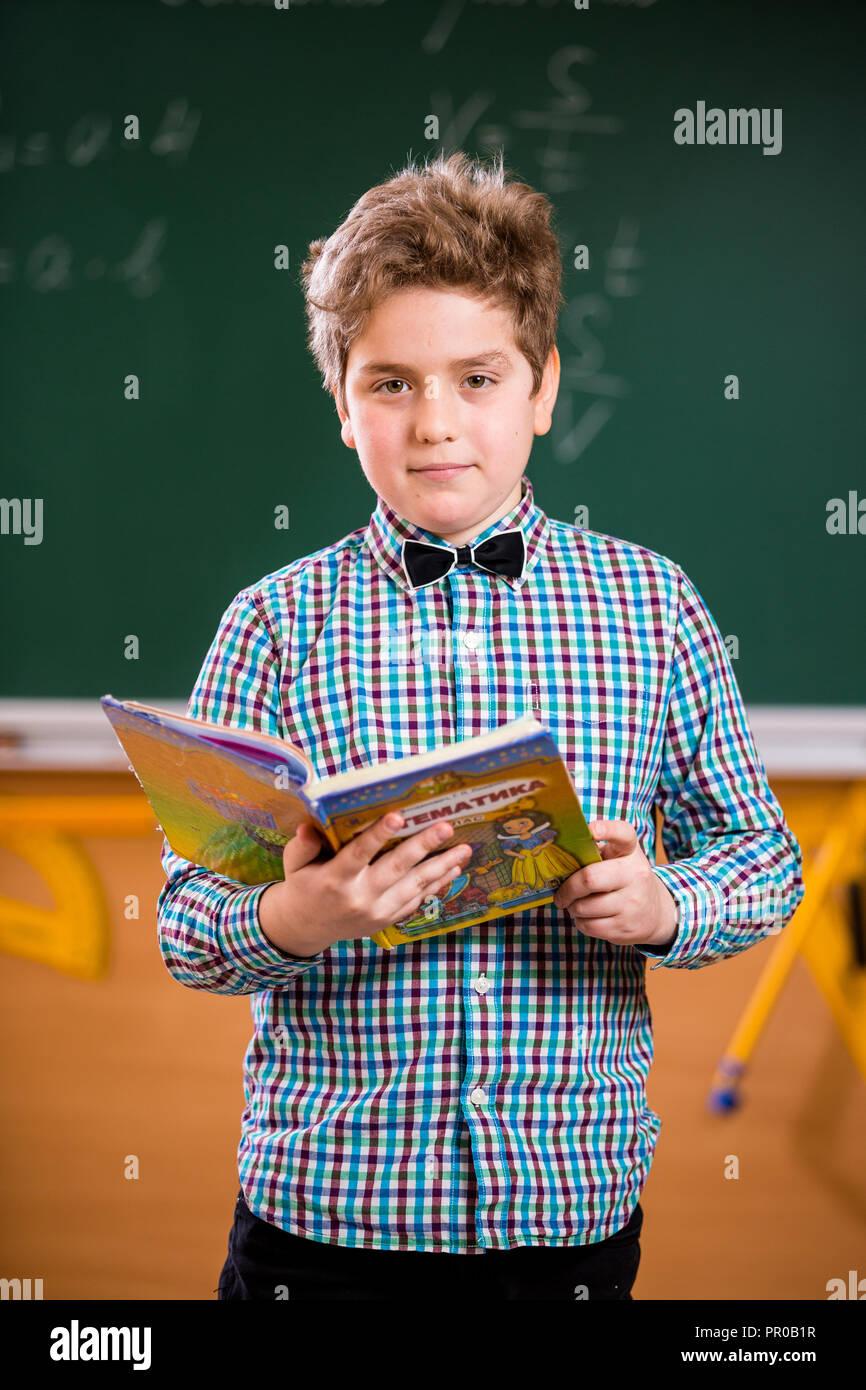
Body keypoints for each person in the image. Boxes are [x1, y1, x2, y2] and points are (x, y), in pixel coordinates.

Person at [157, 150, 805, 1301]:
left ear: (543, 387)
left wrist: (666, 905)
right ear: (341, 401)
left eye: (478, 378)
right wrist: (297, 913)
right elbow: (187, 925)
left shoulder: (650, 607)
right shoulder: (271, 625)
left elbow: (761, 861)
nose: (434, 423)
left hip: (566, 1213)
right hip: (324, 1215)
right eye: (391, 383)